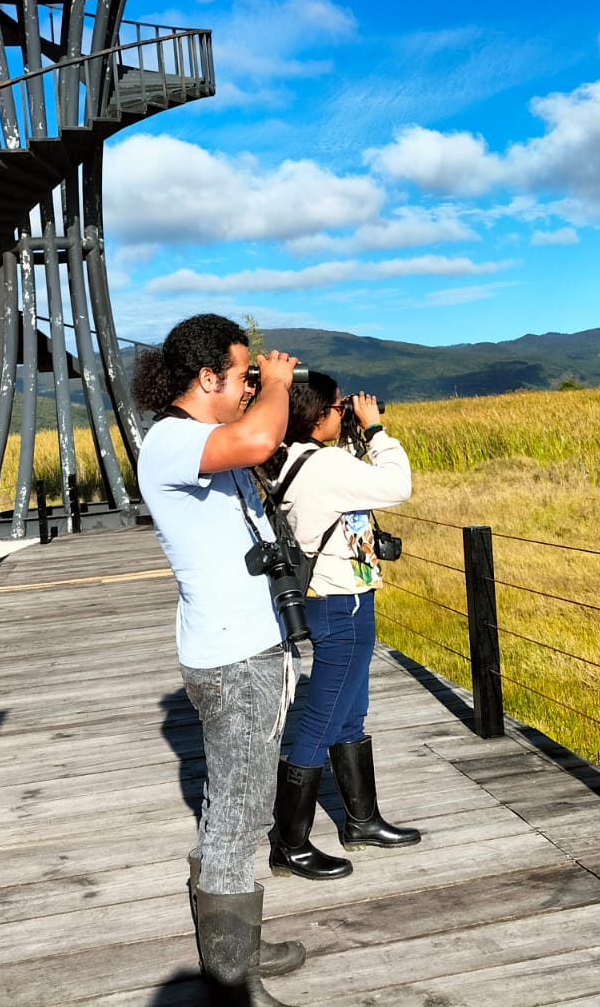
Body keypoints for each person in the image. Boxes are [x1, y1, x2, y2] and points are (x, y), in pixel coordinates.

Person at [133, 314, 305, 1007]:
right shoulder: (171, 442)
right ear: (208, 378)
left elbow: (266, 446)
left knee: (240, 804)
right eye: (243, 377)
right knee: (238, 815)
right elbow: (263, 433)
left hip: (249, 646)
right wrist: (283, 383)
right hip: (231, 660)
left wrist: (270, 392)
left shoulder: (206, 443)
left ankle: (241, 949)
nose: (251, 389)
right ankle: (234, 982)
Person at [262, 371, 420, 882]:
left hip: (331, 600)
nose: (343, 413)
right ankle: (290, 843)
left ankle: (362, 820)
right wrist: (375, 431)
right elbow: (397, 485)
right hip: (342, 605)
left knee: (351, 712)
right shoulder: (326, 464)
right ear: (317, 415)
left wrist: (349, 432)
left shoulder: (292, 457)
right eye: (337, 408)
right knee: (321, 721)